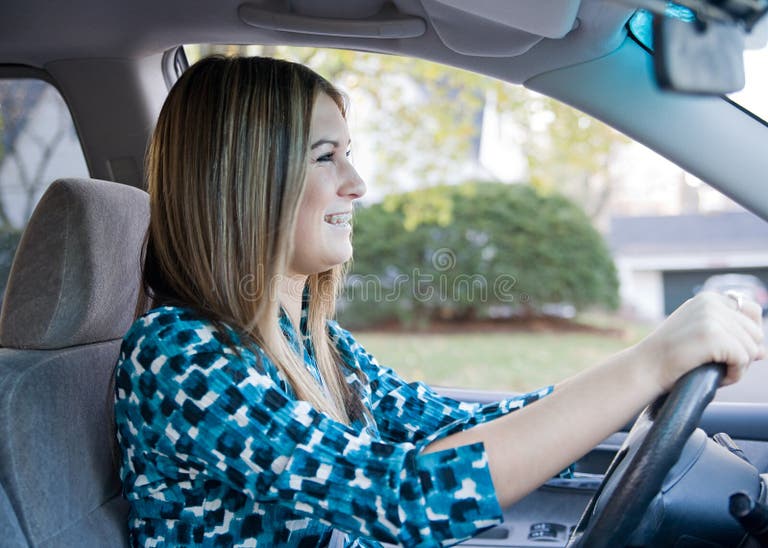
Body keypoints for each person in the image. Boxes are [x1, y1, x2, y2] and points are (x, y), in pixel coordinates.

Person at [113, 55, 765, 547]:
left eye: (351, 156)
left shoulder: (312, 341)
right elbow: (404, 497)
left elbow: (449, 424)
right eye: (325, 157)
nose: (358, 184)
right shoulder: (179, 357)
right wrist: (649, 364)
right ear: (245, 178)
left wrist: (650, 369)